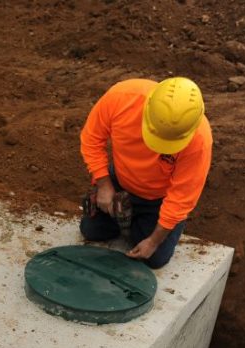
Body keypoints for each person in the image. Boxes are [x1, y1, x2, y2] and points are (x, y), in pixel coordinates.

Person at [79, 77, 212, 269]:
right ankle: (125, 215)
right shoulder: (121, 98)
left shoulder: (199, 140)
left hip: (158, 199)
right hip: (120, 181)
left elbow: (182, 197)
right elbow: (92, 139)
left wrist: (153, 241)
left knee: (154, 258)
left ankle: (132, 220)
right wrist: (103, 184)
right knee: (91, 231)